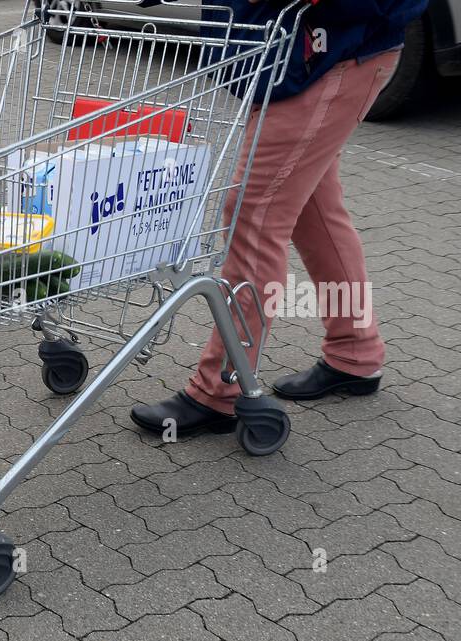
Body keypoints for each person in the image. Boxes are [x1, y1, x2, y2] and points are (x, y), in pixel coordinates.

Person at [130, 0, 428, 439]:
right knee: (314, 211)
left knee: (253, 211)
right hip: (308, 53)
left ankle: (219, 390)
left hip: (330, 54)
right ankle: (355, 352)